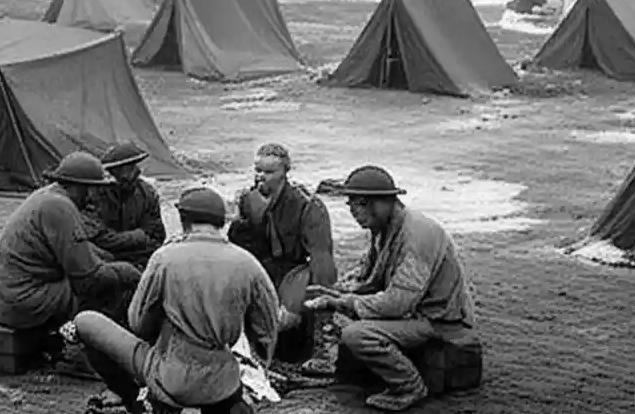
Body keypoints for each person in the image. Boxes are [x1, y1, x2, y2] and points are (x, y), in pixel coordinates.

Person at [74, 187, 280, 414]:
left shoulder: (165, 258)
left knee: (86, 321)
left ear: (184, 220)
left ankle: (137, 402)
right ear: (221, 222)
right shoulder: (248, 263)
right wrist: (259, 361)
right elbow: (267, 328)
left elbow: (138, 323)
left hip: (172, 377)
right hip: (224, 382)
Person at [305, 165, 475, 412]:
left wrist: (343, 302)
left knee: (357, 334)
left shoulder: (417, 236)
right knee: (332, 304)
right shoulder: (383, 229)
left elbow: (398, 303)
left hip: (437, 320)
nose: (353, 211)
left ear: (384, 202)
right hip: (412, 312)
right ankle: (335, 363)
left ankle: (409, 385)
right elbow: (367, 274)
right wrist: (336, 292)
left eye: (360, 203)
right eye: (351, 203)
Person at [0, 151, 143, 334]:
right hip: (21, 303)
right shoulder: (60, 207)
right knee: (108, 292)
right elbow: (88, 279)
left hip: (3, 296)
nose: (98, 195)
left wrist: (107, 259)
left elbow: (78, 250)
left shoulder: (48, 196)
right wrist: (127, 272)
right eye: (96, 189)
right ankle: (94, 349)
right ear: (85, 188)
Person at [227, 143, 337, 365]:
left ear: (285, 172)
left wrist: (307, 304)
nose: (261, 177)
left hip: (294, 273)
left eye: (269, 172)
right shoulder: (247, 200)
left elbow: (321, 262)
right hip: (258, 269)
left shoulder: (308, 206)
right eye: (258, 171)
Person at [85, 142, 166, 267]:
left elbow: (156, 236)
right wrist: (138, 236)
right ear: (113, 171)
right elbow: (99, 239)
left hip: (141, 260)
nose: (136, 171)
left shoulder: (146, 193)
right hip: (103, 262)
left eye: (134, 166)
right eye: (129, 167)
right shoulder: (94, 195)